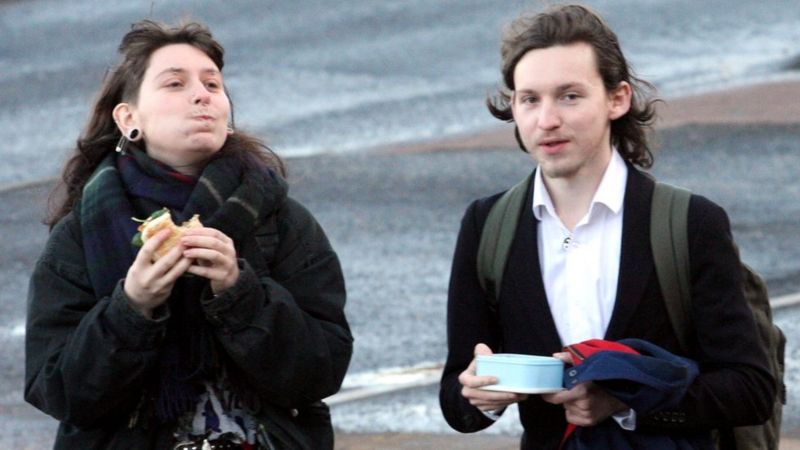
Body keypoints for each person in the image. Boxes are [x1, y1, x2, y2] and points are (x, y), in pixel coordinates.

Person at [439, 4, 775, 448]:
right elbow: (456, 402)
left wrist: (626, 402)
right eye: (529, 99)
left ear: (617, 99)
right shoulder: (488, 225)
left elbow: (750, 390)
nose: (547, 120)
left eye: (570, 96)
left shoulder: (690, 223)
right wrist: (480, 396)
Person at [25, 20, 352, 449]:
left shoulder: (279, 218)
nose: (202, 95)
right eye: (175, 84)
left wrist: (238, 291)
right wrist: (132, 306)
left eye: (213, 85)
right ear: (128, 118)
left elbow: (320, 372)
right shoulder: (84, 232)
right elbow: (60, 391)